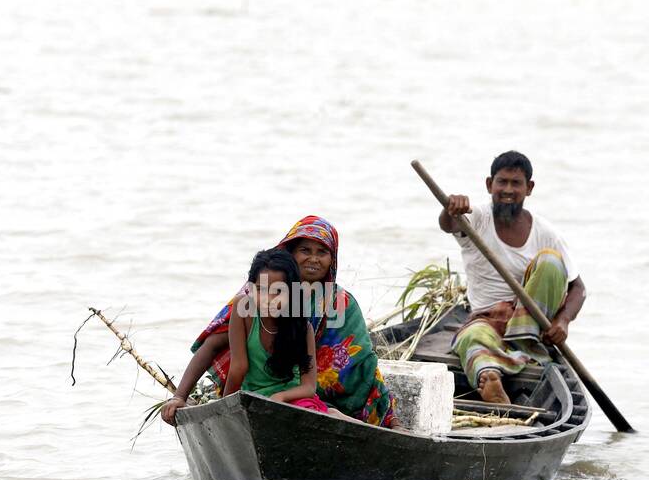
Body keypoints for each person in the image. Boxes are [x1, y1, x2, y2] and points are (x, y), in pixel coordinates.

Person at [161, 215, 396, 427]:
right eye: (305, 250)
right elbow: (221, 352)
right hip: (258, 388)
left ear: (332, 259)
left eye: (322, 252)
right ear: (291, 253)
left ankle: (371, 423)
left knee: (340, 396)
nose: (313, 259)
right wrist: (183, 396)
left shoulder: (339, 302)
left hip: (305, 391)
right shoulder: (251, 299)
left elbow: (361, 361)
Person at [439, 150, 586, 405]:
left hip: (530, 323)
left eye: (515, 183)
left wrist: (563, 321)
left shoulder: (546, 233)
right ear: (489, 185)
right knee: (470, 337)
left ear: (529, 188)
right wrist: (450, 210)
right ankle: (490, 377)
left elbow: (578, 288)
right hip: (488, 319)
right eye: (502, 182)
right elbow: (449, 224)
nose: (507, 190)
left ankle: (522, 344)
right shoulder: (477, 218)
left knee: (551, 261)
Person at [223, 248, 329, 413]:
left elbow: (309, 386)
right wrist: (224, 409)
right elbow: (239, 367)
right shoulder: (243, 309)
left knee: (311, 412)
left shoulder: (302, 327)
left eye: (278, 292)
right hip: (255, 398)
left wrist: (281, 396)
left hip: (293, 400)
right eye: (261, 289)